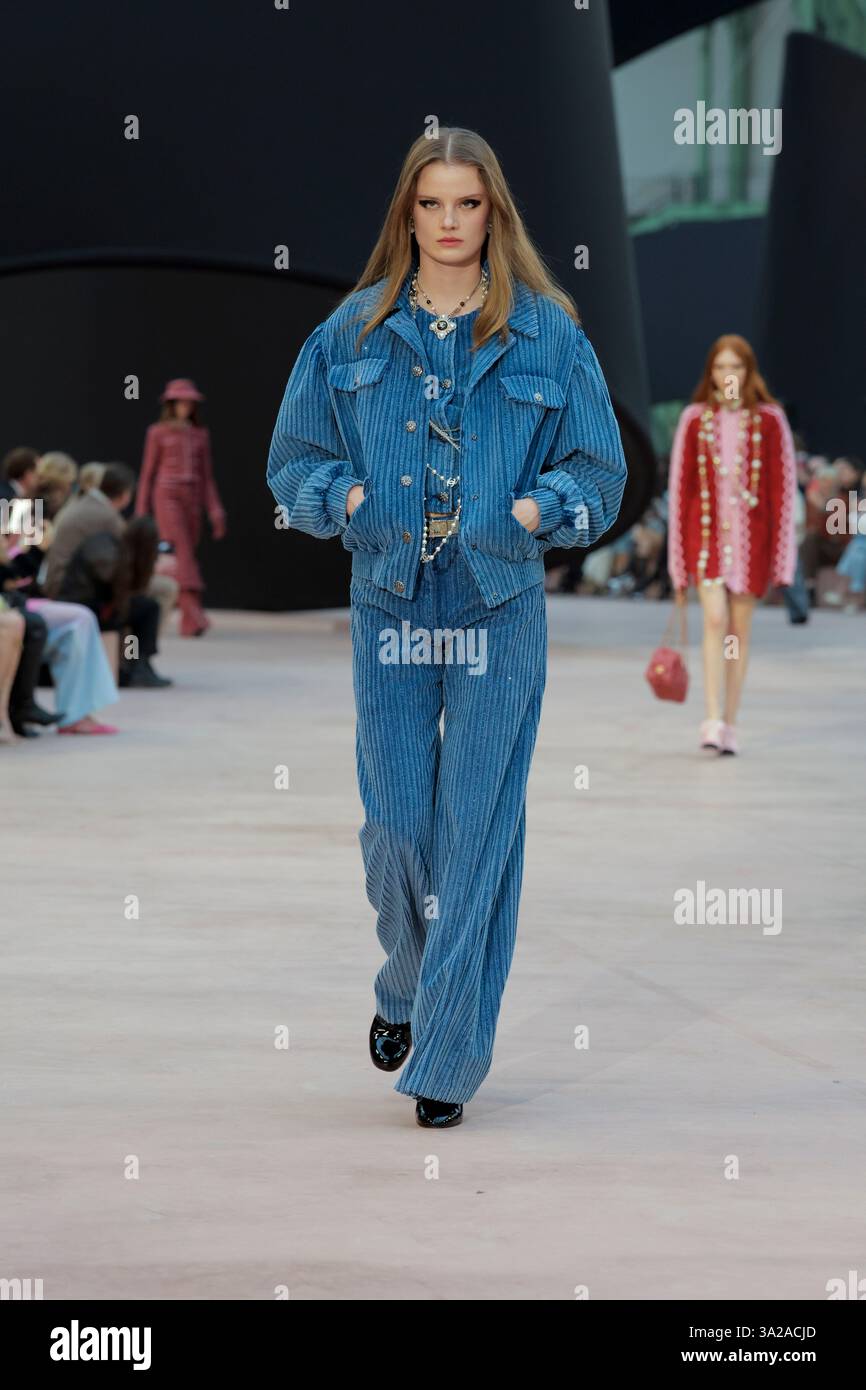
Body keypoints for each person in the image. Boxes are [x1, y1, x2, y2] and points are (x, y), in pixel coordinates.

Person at [266, 127, 627, 1129]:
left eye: (468, 204)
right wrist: (339, 499)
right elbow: (289, 464)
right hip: (388, 600)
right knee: (394, 828)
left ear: (492, 213)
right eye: (433, 205)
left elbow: (599, 471)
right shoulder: (350, 332)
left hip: (498, 605)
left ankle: (445, 1057)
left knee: (476, 831)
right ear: (407, 214)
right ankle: (404, 985)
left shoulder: (546, 331)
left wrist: (533, 511)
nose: (451, 222)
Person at [667, 334, 797, 755]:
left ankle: (730, 721)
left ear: (748, 372)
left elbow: (783, 491)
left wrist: (783, 561)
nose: (728, 375)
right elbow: (679, 488)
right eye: (721, 367)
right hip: (705, 541)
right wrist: (676, 563)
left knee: (739, 630)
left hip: (751, 546)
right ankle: (710, 716)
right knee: (714, 620)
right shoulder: (693, 419)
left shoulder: (771, 421)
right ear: (711, 372)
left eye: (736, 367)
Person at [136, 378, 226, 637]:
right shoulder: (157, 432)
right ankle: (192, 613)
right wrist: (142, 513)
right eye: (180, 402)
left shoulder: (200, 434)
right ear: (170, 404)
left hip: (193, 498)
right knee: (183, 553)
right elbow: (147, 474)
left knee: (186, 555)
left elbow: (207, 477)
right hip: (167, 496)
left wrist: (215, 509)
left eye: (189, 403)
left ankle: (188, 614)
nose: (185, 407)